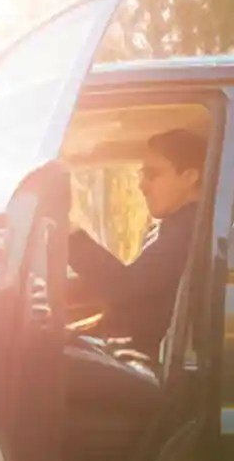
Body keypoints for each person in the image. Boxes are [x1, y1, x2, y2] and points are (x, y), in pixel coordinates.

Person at [67, 128, 206, 359]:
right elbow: (136, 302)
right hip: (136, 350)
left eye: (152, 175)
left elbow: (124, 290)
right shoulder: (177, 226)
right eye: (142, 175)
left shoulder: (187, 231)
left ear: (190, 177)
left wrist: (70, 235)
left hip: (148, 363)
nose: (142, 185)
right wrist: (79, 330)